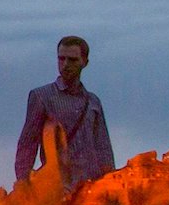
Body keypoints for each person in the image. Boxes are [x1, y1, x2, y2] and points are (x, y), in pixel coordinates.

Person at [14, 36, 115, 195]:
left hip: (92, 190)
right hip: (59, 190)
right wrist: (23, 183)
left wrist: (110, 185)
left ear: (84, 62)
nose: (66, 65)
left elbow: (103, 149)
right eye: (61, 59)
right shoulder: (42, 97)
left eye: (73, 60)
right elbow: (28, 143)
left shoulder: (93, 102)